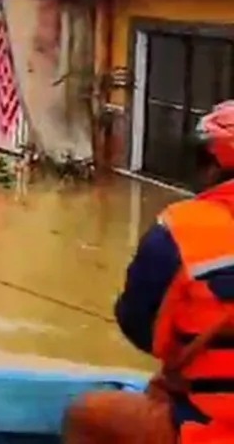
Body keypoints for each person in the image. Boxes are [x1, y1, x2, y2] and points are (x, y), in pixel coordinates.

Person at [63, 101, 234, 444]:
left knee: (86, 416)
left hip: (213, 430)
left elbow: (140, 327)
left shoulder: (183, 228)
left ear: (215, 164)